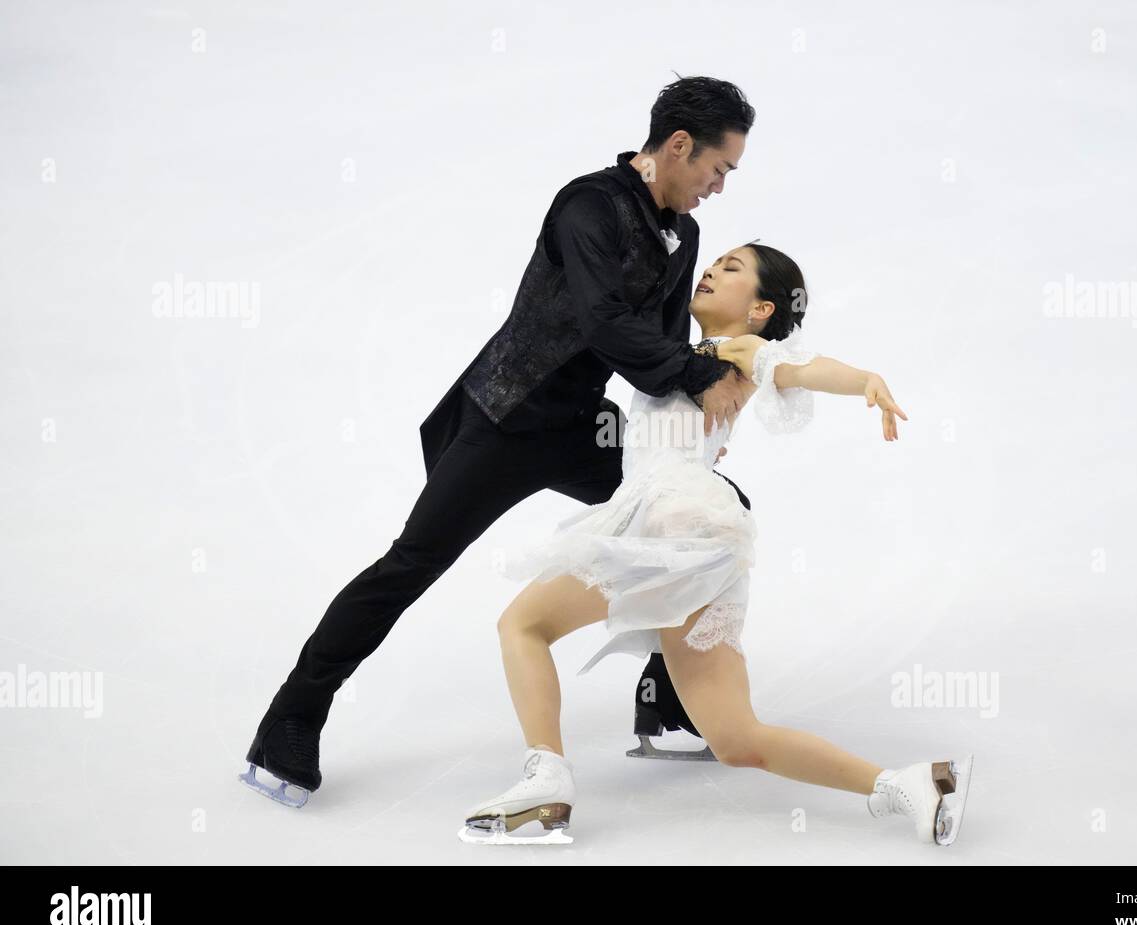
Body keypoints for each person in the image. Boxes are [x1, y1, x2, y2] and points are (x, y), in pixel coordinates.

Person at [239, 75, 760, 808]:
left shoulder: (686, 234)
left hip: (583, 426)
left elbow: (661, 350)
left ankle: (667, 693)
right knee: (410, 564)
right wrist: (698, 373)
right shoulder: (589, 206)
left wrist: (684, 439)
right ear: (679, 145)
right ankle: (290, 720)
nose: (719, 185)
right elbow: (607, 324)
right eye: (719, 168)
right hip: (506, 417)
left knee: (712, 511)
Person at [459, 243, 974, 847]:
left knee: (523, 626)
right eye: (712, 264)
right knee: (737, 740)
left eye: (730, 269)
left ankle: (546, 784)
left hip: (672, 512)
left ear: (759, 310)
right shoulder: (675, 350)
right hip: (709, 539)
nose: (709, 271)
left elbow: (798, 369)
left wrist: (865, 381)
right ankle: (912, 784)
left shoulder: (733, 347)